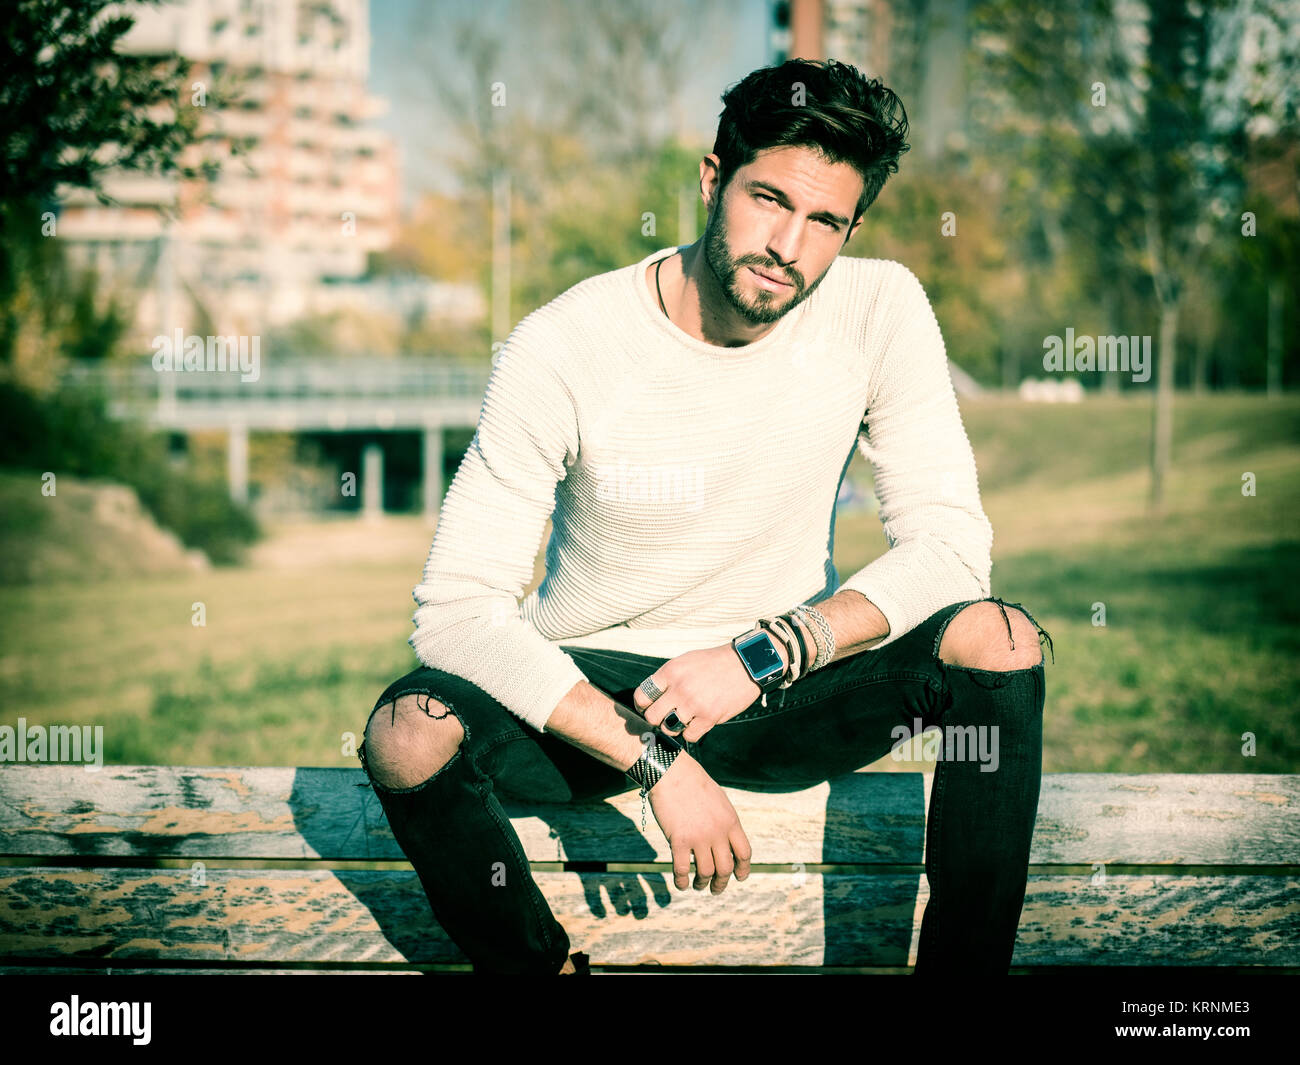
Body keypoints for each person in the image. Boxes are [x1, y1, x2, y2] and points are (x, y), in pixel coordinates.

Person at [356, 58, 1052, 975]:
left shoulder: (881, 307)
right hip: (593, 700)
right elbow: (454, 611)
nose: (789, 245)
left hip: (779, 687)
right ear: (712, 179)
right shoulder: (562, 345)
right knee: (408, 731)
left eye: (825, 222)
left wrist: (766, 652)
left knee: (999, 640)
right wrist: (657, 762)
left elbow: (953, 550)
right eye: (769, 200)